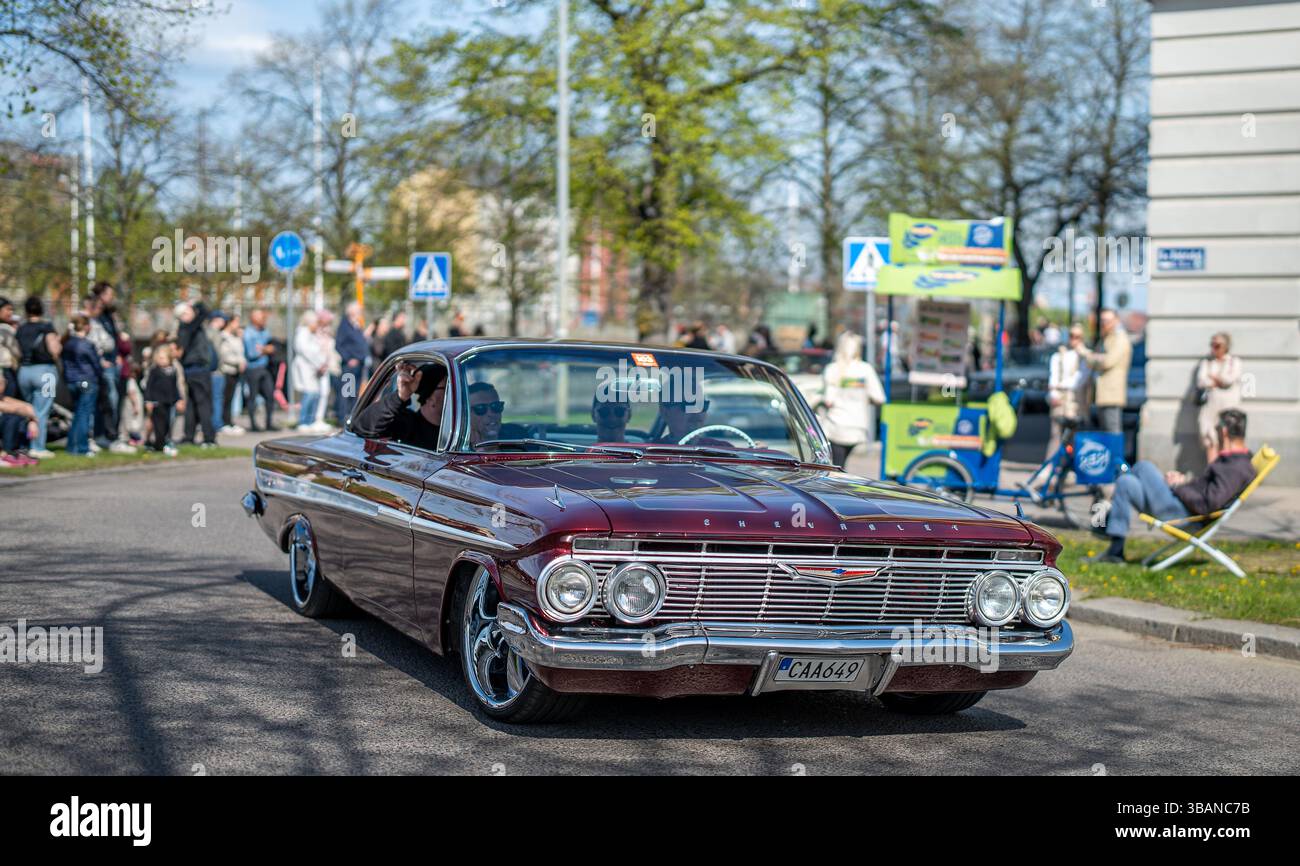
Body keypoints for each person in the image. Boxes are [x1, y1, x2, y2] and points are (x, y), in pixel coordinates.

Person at [1091, 409, 1255, 563]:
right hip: (1181, 506)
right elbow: (1208, 492)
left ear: (1224, 432)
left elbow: (1207, 504)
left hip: (1184, 517)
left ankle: (1105, 511)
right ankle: (1115, 551)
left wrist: (1176, 487)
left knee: (1144, 467)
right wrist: (1184, 482)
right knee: (1126, 483)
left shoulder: (1235, 467)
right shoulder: (1233, 462)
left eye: (1216, 429)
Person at [1022, 324, 1091, 498]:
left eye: (1078, 336)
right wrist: (1054, 393)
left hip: (1076, 405)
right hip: (1060, 404)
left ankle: (1069, 473)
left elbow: (1080, 379)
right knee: (1055, 437)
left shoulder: (1085, 356)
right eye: (1072, 336)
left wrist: (1059, 386)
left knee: (1074, 440)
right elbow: (1053, 376)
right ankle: (1047, 474)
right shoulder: (1058, 356)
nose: (1074, 340)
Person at [818, 330, 885, 469]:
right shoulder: (865, 369)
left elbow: (828, 400)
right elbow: (880, 398)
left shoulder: (832, 369)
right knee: (842, 466)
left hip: (836, 426)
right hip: (857, 427)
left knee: (836, 466)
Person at [351, 361, 445, 450]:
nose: (456, 393)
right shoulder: (405, 423)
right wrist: (400, 397)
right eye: (447, 387)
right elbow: (361, 427)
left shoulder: (455, 429)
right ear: (430, 397)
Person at [16, 296, 61, 458]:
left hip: (24, 371)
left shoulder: (20, 329)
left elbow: (17, 351)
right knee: (41, 411)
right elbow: (54, 349)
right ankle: (38, 447)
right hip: (44, 372)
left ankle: (23, 444)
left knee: (27, 409)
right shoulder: (46, 326)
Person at [1195, 332, 1243, 464]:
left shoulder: (1234, 362)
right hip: (1211, 406)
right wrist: (1218, 381)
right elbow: (1201, 381)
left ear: (1226, 346)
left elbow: (1229, 380)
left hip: (1229, 405)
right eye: (1212, 345)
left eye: (1217, 345)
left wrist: (1214, 378)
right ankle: (1213, 473)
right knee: (1210, 438)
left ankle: (1226, 472)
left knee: (1227, 437)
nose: (1213, 348)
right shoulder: (1207, 362)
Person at [175, 301, 218, 446]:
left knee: (192, 405)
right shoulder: (188, 327)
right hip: (198, 371)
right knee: (204, 404)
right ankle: (209, 438)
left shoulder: (185, 329)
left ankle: (189, 436)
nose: (192, 313)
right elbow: (205, 312)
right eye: (188, 312)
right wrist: (196, 303)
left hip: (191, 371)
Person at [1088, 308, 1131, 434]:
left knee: (1113, 431)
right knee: (1106, 432)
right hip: (1103, 393)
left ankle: (1116, 454)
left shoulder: (1120, 338)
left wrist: (1092, 358)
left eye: (1107, 320)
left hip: (1112, 394)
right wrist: (1096, 358)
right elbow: (1098, 359)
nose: (1104, 324)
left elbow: (1107, 362)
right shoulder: (1107, 337)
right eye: (1102, 321)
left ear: (1116, 320)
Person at [62, 316, 101, 457]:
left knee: (77, 415)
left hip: (72, 382)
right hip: (86, 381)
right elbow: (96, 364)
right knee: (84, 415)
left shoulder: (67, 343)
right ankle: (83, 448)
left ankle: (72, 446)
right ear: (85, 326)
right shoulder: (86, 344)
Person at [143, 343, 183, 456]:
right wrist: (148, 401)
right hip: (157, 402)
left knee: (167, 424)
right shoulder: (154, 371)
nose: (161, 361)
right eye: (159, 358)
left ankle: (164, 442)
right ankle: (158, 445)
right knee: (158, 425)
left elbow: (175, 387)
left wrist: (179, 399)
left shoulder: (173, 371)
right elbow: (149, 387)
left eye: (163, 358)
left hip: (169, 402)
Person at [291, 311, 327, 431]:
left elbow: (317, 351)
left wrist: (321, 363)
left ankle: (311, 420)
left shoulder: (311, 334)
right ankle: (303, 421)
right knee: (309, 393)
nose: (317, 325)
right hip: (305, 367)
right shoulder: (302, 333)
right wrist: (318, 364)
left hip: (314, 368)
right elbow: (306, 351)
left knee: (316, 394)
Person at [242, 307, 277, 431]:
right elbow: (251, 353)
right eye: (261, 317)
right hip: (253, 369)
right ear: (253, 319)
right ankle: (253, 425)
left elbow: (271, 347)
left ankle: (268, 423)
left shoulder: (264, 331)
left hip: (264, 368)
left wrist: (263, 349)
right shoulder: (248, 333)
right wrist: (265, 349)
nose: (264, 319)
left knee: (269, 395)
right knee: (253, 397)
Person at [334, 301, 368, 425]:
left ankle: (351, 416)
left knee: (354, 392)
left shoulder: (356, 325)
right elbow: (338, 344)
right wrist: (348, 358)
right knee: (347, 392)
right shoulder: (344, 325)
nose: (360, 313)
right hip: (350, 365)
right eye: (358, 311)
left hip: (360, 364)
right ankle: (342, 417)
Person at [215, 314, 246, 435]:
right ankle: (223, 422)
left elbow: (241, 353)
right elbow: (224, 355)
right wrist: (238, 362)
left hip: (236, 371)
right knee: (225, 398)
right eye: (236, 322)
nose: (238, 325)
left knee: (231, 398)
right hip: (227, 370)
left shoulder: (236, 337)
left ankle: (229, 421)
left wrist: (242, 361)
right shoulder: (223, 337)